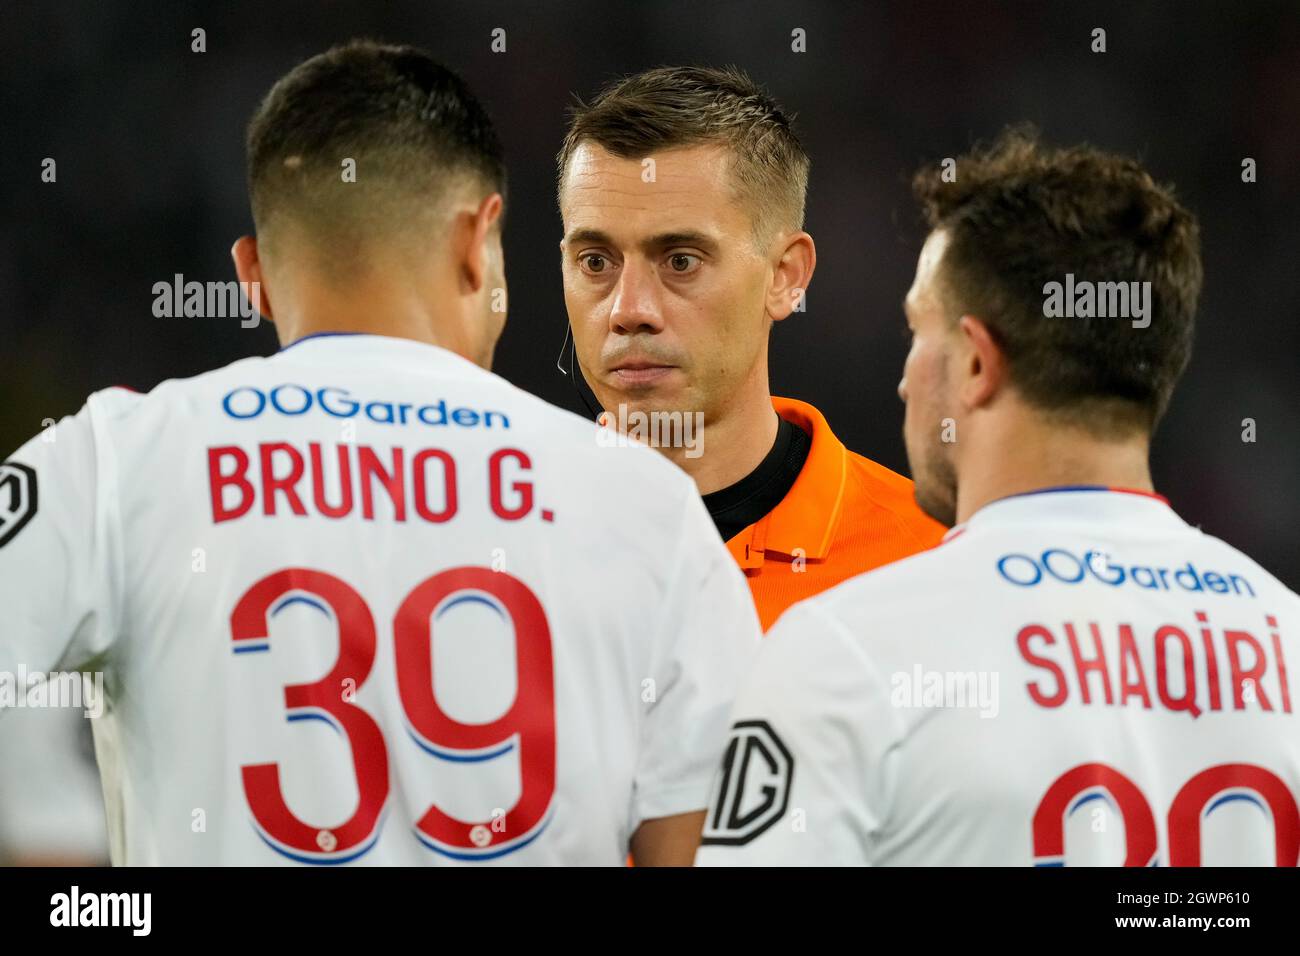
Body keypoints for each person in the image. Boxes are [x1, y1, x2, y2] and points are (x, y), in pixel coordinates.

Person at [0, 40, 760, 866]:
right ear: (480, 239)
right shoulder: (645, 506)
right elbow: (712, 845)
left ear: (251, 274)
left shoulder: (114, 462)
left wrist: (59, 853)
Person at [696, 128, 1300, 865]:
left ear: (977, 361)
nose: (904, 378)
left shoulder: (849, 652)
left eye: (919, 330)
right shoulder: (1289, 642)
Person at [556, 66, 946, 632]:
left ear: (786, 276)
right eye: (596, 262)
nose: (628, 310)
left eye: (680, 261)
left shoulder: (927, 563)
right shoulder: (491, 543)